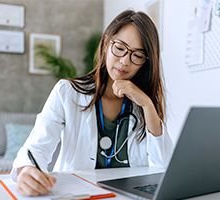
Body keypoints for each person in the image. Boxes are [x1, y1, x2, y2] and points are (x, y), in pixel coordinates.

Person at [11, 10, 173, 196]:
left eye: (137, 55)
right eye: (120, 48)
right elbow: (36, 148)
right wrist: (27, 172)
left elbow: (164, 168)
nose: (124, 61)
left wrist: (147, 105)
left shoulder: (142, 104)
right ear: (105, 43)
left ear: (145, 62)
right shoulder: (67, 92)